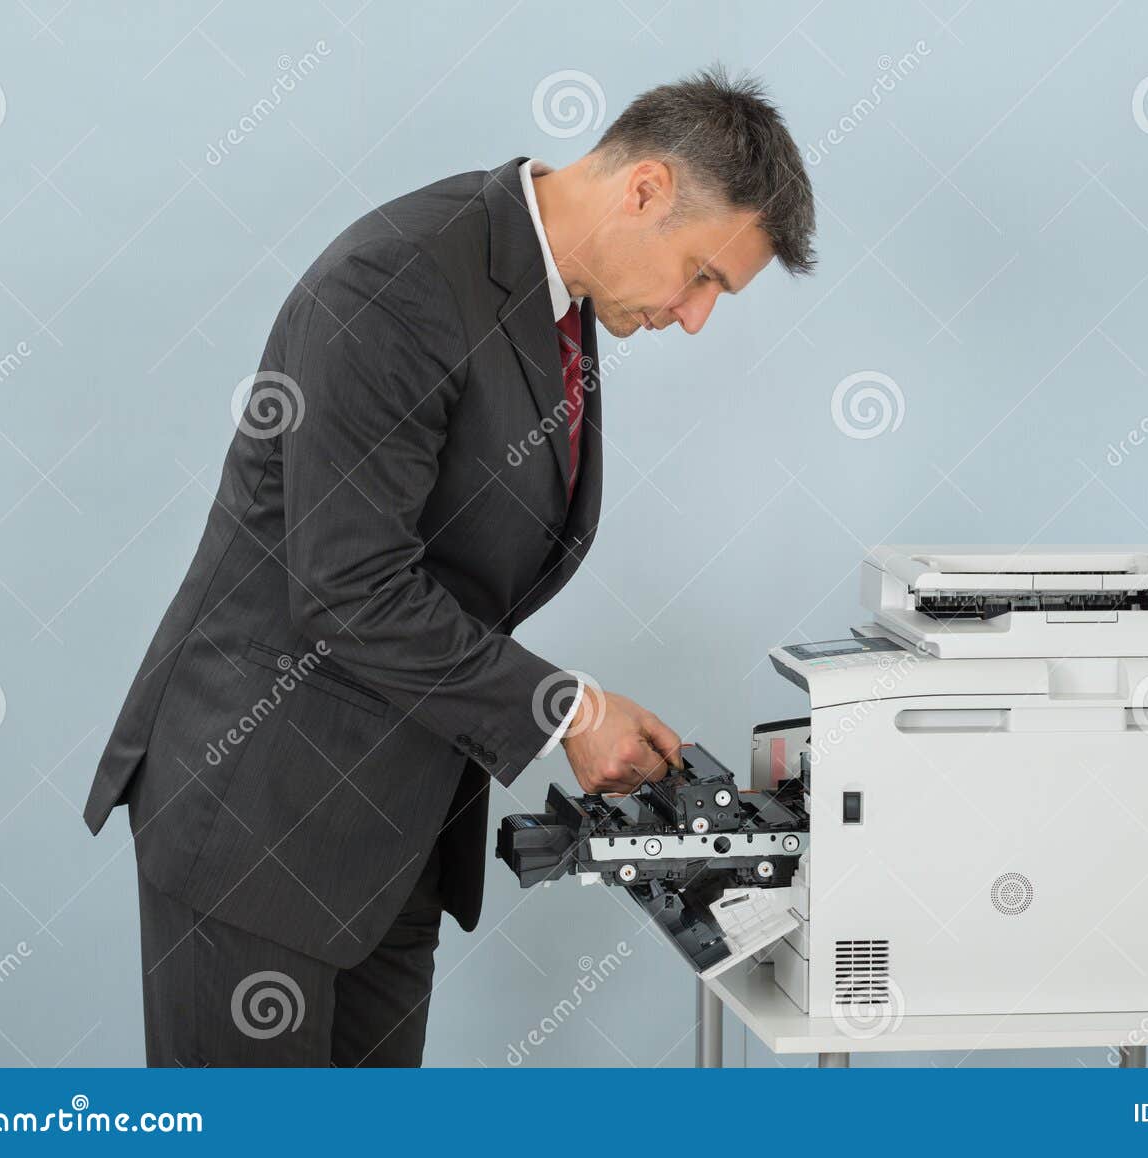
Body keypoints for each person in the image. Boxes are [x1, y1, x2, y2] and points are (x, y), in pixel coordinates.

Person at [82, 65, 817, 1066]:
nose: (696, 317)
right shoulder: (403, 279)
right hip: (261, 820)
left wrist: (569, 708)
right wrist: (563, 710)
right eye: (703, 275)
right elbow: (348, 588)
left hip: (392, 835)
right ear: (644, 189)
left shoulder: (558, 297)